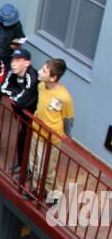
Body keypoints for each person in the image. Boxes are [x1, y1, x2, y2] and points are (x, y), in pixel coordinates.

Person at [30, 58, 75, 197]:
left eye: (44, 71)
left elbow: (68, 118)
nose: (39, 72)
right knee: (35, 164)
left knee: (46, 170)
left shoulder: (64, 97)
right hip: (36, 131)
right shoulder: (41, 86)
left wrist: (67, 135)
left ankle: (48, 194)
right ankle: (41, 189)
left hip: (51, 138)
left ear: (53, 77)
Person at [0, 47, 39, 175]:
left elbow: (21, 101)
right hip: (22, 116)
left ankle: (29, 170)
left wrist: (14, 95)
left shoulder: (32, 78)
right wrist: (15, 94)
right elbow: (2, 88)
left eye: (17, 61)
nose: (13, 64)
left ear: (27, 63)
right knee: (23, 139)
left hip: (34, 118)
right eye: (12, 60)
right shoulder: (12, 73)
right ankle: (22, 166)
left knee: (30, 143)